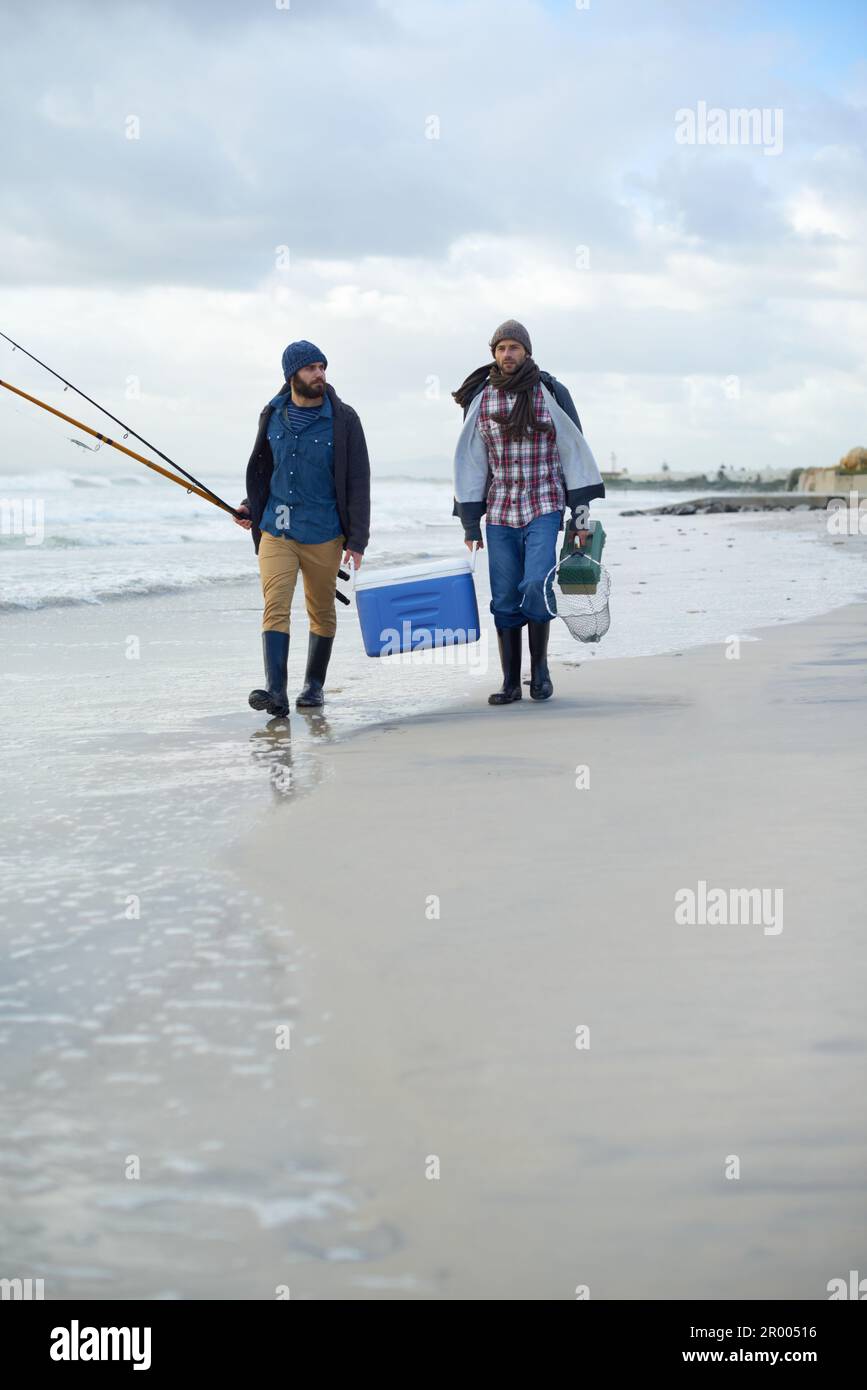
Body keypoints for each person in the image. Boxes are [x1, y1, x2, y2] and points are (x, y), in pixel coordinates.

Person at [452, 319, 604, 704]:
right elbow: (471, 461)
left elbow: (574, 449)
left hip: (544, 504)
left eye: (514, 348)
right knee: (504, 597)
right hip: (501, 510)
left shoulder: (550, 391)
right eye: (501, 348)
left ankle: (540, 671)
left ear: (527, 352)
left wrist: (580, 514)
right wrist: (471, 523)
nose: (508, 355)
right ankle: (508, 682)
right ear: (494, 353)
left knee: (536, 585)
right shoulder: (481, 398)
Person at [234, 340, 370, 715]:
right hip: (276, 529)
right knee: (274, 605)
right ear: (292, 374)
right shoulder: (273, 414)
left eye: (323, 367)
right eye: (311, 368)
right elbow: (265, 470)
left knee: (321, 610)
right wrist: (250, 505)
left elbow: (358, 480)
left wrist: (357, 539)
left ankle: (313, 685)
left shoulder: (344, 419)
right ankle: (275, 692)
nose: (320, 374)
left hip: (324, 531)